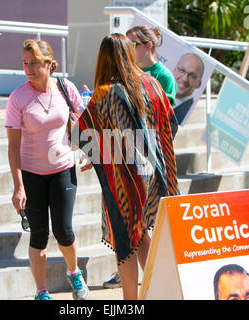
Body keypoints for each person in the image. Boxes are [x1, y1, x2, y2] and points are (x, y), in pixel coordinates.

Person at [76, 33, 179, 300]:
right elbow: (172, 123)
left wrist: (98, 155)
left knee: (125, 240)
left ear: (103, 59)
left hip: (123, 179)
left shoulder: (104, 93)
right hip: (156, 175)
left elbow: (80, 133)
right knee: (141, 232)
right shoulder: (153, 84)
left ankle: (130, 302)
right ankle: (161, 293)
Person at [5, 39, 90, 300]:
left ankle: (74, 272)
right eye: (24, 64)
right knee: (38, 235)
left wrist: (91, 152)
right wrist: (18, 186)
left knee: (64, 230)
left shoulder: (66, 87)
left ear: (50, 64)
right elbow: (12, 146)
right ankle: (41, 292)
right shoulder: (18, 97)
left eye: (34, 63)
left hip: (63, 168)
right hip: (31, 175)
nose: (28, 69)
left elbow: (86, 119)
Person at [172, 53, 205, 125]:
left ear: (198, 84)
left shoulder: (193, 115)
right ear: (174, 70)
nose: (184, 79)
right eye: (182, 70)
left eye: (192, 76)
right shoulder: (157, 94)